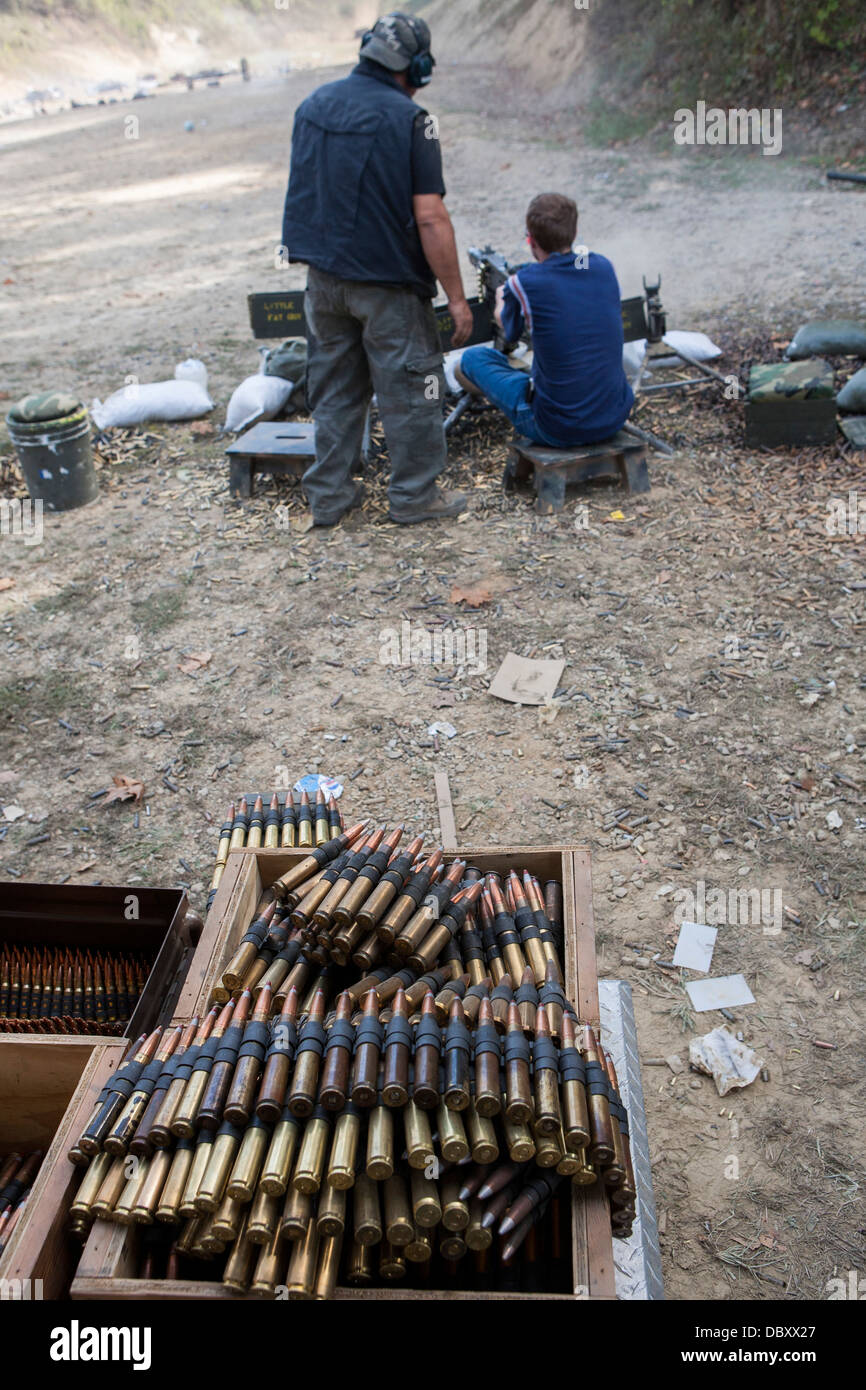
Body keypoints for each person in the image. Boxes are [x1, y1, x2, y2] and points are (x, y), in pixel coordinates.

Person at [281, 12, 473, 526]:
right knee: (411, 392)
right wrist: (456, 297)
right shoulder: (413, 120)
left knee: (334, 390)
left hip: (323, 282)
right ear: (418, 67)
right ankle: (414, 498)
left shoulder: (312, 106)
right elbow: (430, 217)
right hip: (387, 285)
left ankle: (329, 499)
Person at [457, 192, 634, 447]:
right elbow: (575, 274)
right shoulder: (602, 266)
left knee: (473, 359)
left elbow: (511, 332)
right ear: (573, 233)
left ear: (531, 241)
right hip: (615, 416)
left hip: (557, 429)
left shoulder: (523, 283)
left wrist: (501, 302)